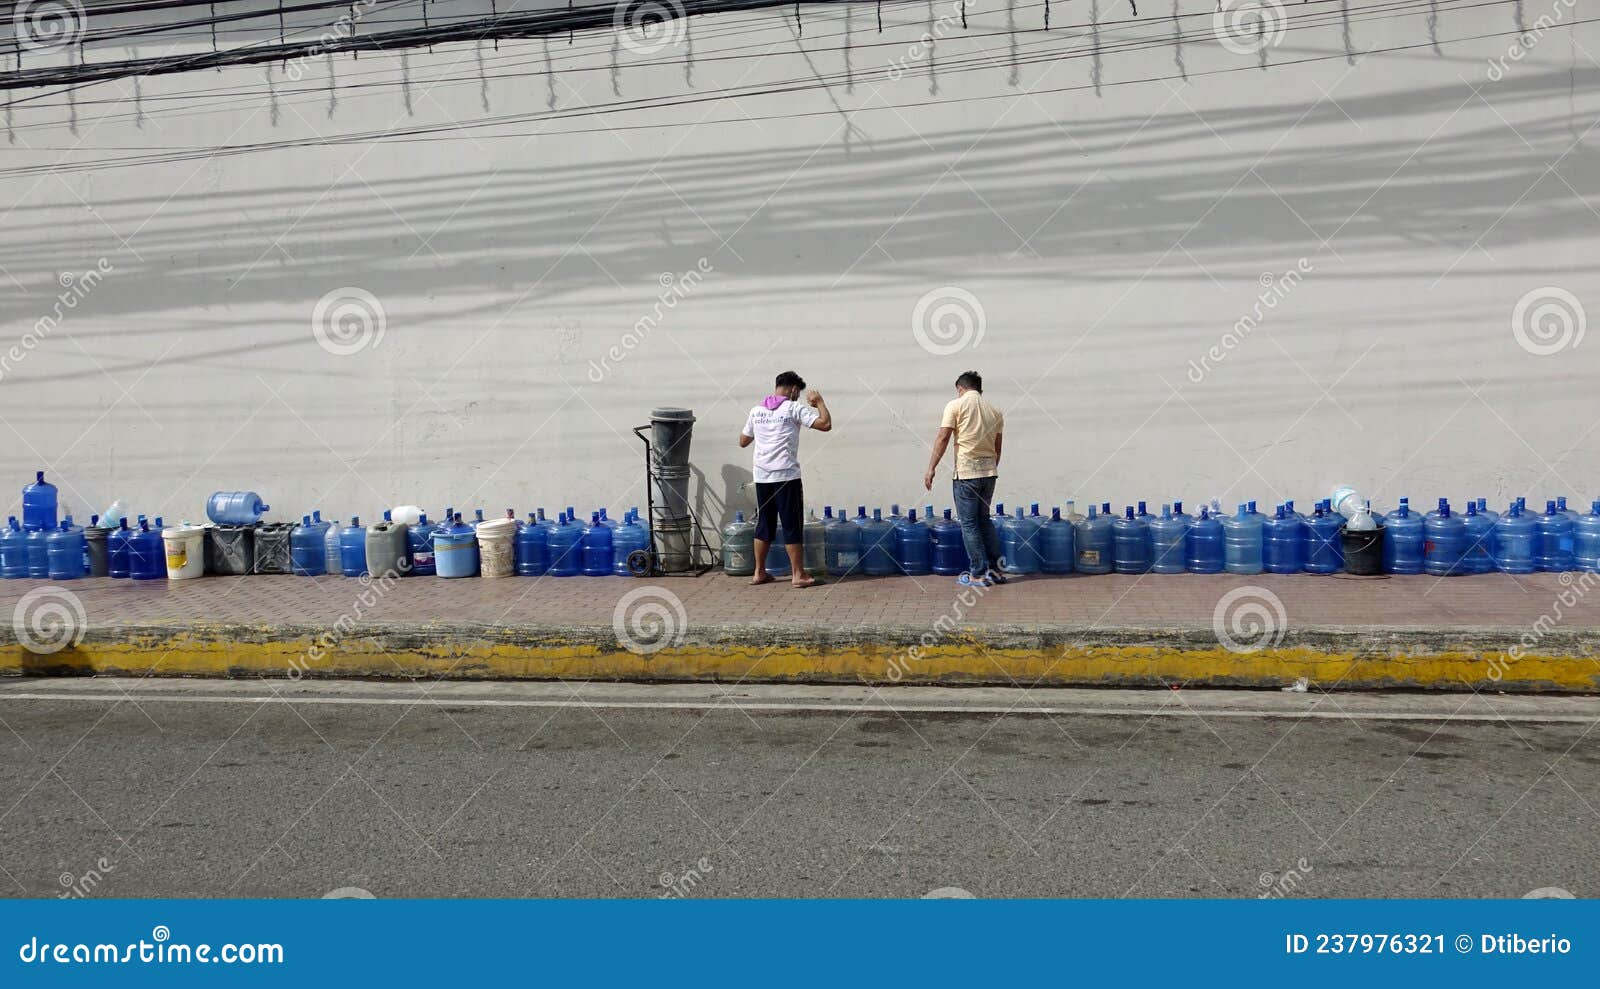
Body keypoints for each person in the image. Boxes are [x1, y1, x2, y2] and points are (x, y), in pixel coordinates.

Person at [739, 370, 832, 588]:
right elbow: (825, 424)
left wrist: (765, 432)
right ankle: (798, 575)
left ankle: (759, 572)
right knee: (791, 524)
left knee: (764, 523)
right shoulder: (792, 407)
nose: (797, 397)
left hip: (762, 477)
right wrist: (819, 402)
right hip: (786, 476)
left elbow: (743, 441)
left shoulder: (756, 411)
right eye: (797, 393)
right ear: (793, 390)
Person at [923, 370, 1006, 586]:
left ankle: (978, 573)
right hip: (989, 473)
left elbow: (943, 437)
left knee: (969, 524)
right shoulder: (995, 411)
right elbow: (998, 448)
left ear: (960, 388)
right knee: (984, 521)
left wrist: (931, 468)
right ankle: (996, 571)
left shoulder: (955, 405)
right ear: (979, 388)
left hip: (966, 474)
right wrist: (988, 470)